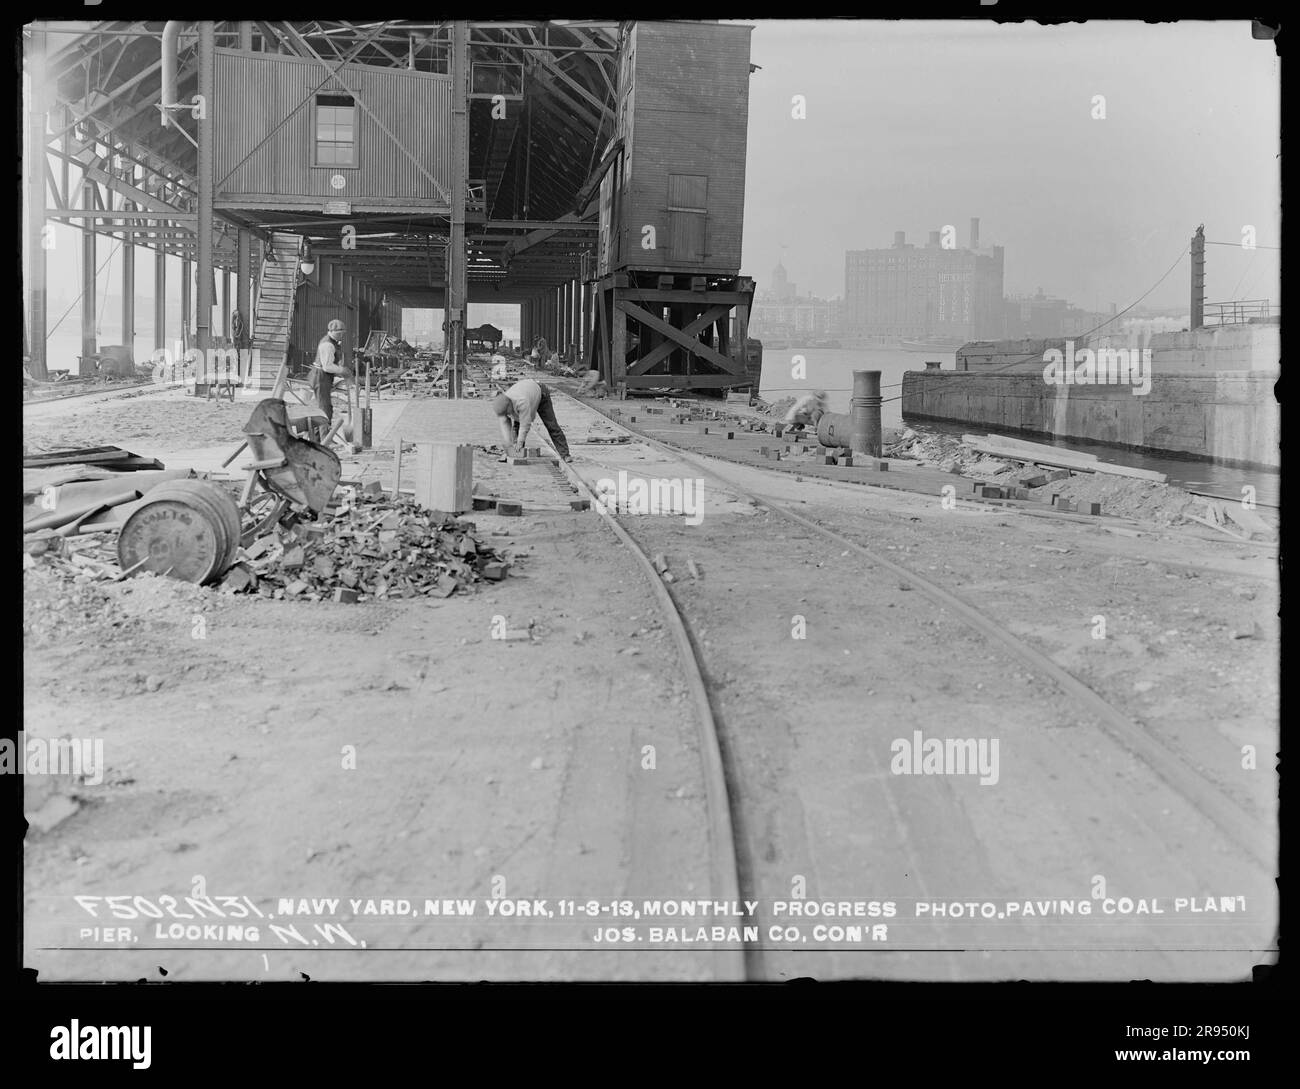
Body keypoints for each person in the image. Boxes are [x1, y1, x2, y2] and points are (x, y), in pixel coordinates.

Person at [492, 378, 571, 462]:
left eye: (507, 412)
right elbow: (505, 424)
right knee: (516, 428)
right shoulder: (503, 403)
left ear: (509, 406)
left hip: (541, 393)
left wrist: (520, 442)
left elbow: (525, 424)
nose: (508, 415)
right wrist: (508, 446)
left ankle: (565, 454)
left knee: (551, 425)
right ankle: (516, 453)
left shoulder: (521, 402)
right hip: (527, 393)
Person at [309, 318, 352, 435]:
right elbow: (327, 366)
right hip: (320, 377)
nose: (341, 336)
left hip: (324, 377)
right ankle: (324, 439)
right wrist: (342, 370)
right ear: (332, 331)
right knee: (324, 410)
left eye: (342, 333)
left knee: (325, 408)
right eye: (339, 333)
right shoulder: (327, 344)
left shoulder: (333, 342)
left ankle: (319, 438)